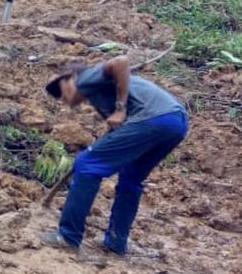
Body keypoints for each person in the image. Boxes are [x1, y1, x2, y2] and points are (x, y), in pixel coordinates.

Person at [40, 56, 188, 256]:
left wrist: (120, 109)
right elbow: (122, 127)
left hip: (153, 118)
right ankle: (116, 244)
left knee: (86, 163)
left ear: (71, 79)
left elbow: (121, 62)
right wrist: (118, 118)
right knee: (131, 178)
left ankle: (68, 236)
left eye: (61, 91)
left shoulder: (84, 78)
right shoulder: (99, 94)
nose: (63, 99)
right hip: (176, 122)